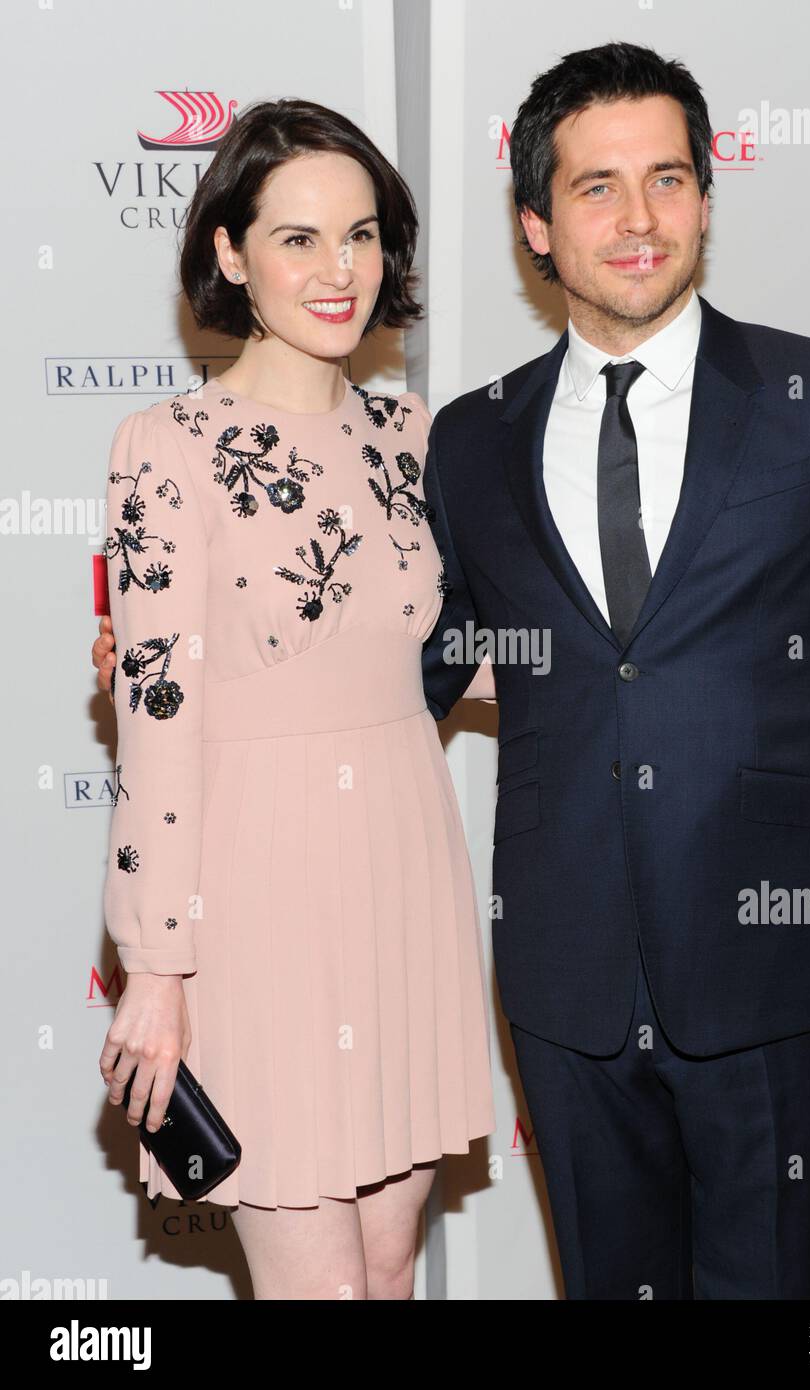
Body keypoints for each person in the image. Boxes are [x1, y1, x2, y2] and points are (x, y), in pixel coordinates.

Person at [415, 43, 810, 1298]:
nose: (638, 219)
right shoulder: (469, 437)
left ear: (707, 199)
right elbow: (426, 660)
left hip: (774, 970)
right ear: (535, 225)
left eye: (667, 179)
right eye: (597, 188)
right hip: (565, 978)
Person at [91, 97, 495, 1301]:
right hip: (255, 901)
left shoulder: (418, 437)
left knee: (385, 1276)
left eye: (362, 235)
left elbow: (459, 657)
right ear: (230, 252)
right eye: (300, 238)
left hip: (404, 875)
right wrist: (156, 969)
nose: (340, 271)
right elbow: (156, 724)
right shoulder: (166, 445)